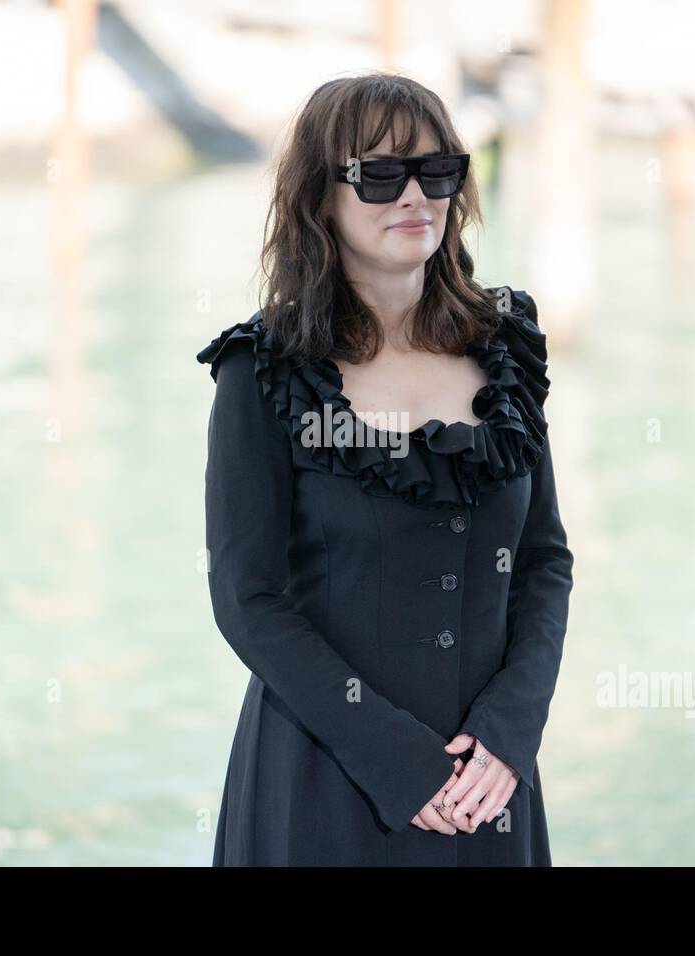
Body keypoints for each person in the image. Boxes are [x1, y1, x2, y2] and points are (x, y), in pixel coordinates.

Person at [195, 72, 574, 866]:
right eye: (380, 173)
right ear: (319, 196)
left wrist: (510, 731)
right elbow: (248, 598)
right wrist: (401, 764)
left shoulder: (505, 348)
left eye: (437, 171)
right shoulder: (262, 371)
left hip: (487, 790)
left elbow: (543, 561)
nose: (415, 195)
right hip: (324, 784)